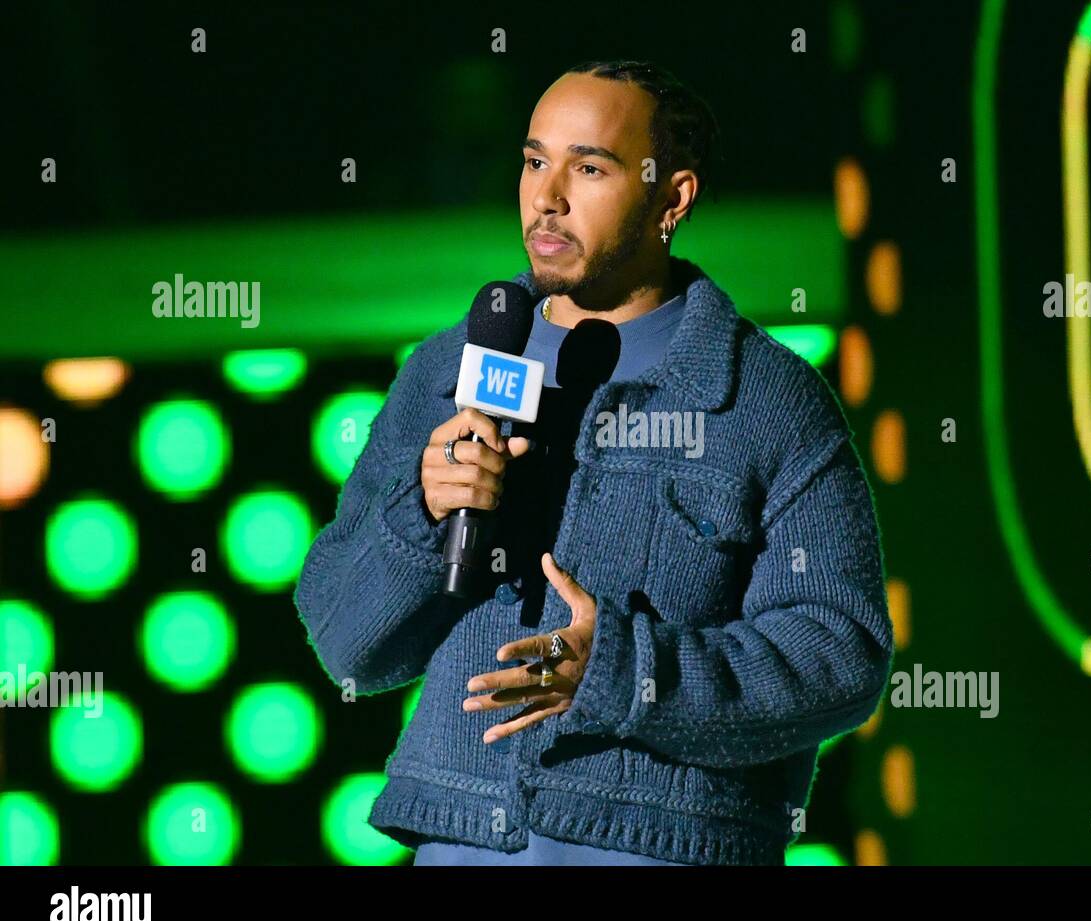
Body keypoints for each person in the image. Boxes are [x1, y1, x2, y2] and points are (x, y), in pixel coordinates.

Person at [294, 59, 894, 866]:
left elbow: (839, 654)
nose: (547, 196)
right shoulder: (448, 371)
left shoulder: (764, 400)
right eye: (535, 160)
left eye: (589, 167)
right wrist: (423, 515)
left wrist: (624, 669)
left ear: (672, 198)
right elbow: (346, 647)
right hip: (462, 847)